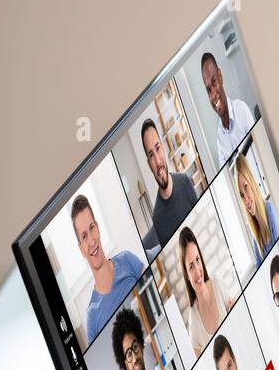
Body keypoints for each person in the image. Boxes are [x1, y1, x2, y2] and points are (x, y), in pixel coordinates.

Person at [71, 194, 143, 343]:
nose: (91, 240)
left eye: (91, 228)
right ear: (81, 249)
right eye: (84, 236)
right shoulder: (92, 317)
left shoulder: (127, 260)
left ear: (98, 229)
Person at [178, 225, 237, 358]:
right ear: (186, 274)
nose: (198, 272)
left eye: (197, 260)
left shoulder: (218, 284)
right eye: (191, 267)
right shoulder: (193, 322)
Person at [140, 118, 198, 251]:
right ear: (149, 164)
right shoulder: (157, 217)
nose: (158, 160)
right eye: (151, 155)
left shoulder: (185, 182)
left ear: (163, 148)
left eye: (158, 149)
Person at [200, 51, 254, 166]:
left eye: (214, 83)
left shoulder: (241, 111)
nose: (213, 94)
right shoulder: (220, 137)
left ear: (220, 76)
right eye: (209, 90)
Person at [234, 150, 279, 264]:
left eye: (246, 187)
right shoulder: (256, 238)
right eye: (241, 195)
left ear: (252, 183)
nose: (246, 201)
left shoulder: (270, 211)